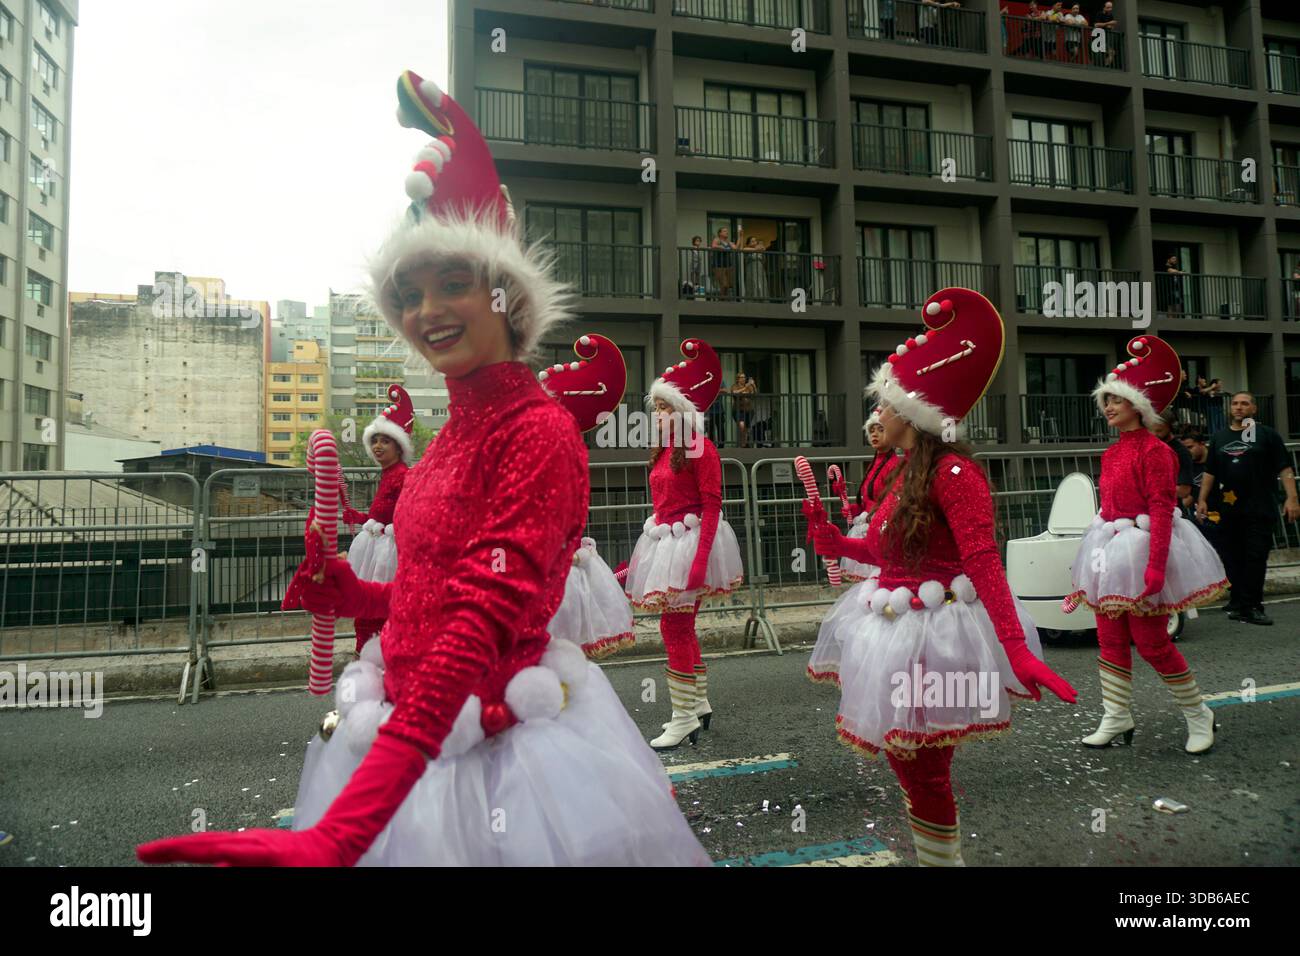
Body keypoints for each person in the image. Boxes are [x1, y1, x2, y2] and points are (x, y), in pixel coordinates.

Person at [137, 70, 709, 867]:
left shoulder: (538, 433)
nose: (427, 310)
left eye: (452, 284)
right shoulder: (445, 439)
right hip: (413, 729)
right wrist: (357, 593)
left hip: (501, 754)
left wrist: (347, 828)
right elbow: (432, 592)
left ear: (506, 296)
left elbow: (480, 619)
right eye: (409, 292)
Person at [812, 289, 1076, 866]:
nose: (875, 415)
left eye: (883, 403)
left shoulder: (956, 474)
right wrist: (839, 543)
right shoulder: (902, 475)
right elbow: (887, 552)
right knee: (906, 760)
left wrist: (1016, 647)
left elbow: (982, 560)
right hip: (894, 623)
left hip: (936, 636)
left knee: (925, 766)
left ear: (913, 410)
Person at [1067, 336, 1227, 755]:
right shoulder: (1110, 453)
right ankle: (1116, 716)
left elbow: (1161, 508)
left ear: (1137, 406)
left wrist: (1156, 566)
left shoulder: (1157, 452)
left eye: (1116, 401)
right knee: (1109, 639)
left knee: (1152, 641)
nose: (1108, 408)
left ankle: (1198, 714)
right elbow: (1109, 507)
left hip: (1142, 551)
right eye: (1105, 401)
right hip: (1110, 550)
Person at [624, 339, 745, 749]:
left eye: (664, 408)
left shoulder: (699, 448)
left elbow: (713, 506)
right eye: (655, 407)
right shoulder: (663, 451)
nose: (657, 414)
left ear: (682, 413)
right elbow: (662, 506)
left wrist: (700, 560)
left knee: (673, 626)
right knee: (682, 626)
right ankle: (698, 704)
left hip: (691, 543)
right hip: (666, 541)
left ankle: (682, 717)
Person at [538, 333, 637, 660]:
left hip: (565, 561)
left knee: (567, 650)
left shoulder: (568, 456)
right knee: (546, 653)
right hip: (541, 559)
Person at [807, 407, 898, 686]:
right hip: (865, 528)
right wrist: (853, 505)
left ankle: (882, 656)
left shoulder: (895, 465)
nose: (874, 434)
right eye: (871, 430)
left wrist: (868, 515)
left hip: (879, 533)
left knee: (876, 591)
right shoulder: (877, 462)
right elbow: (870, 499)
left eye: (879, 429)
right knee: (866, 592)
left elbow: (888, 503)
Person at [1197, 392, 1300, 626]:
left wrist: (1292, 498)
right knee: (1233, 558)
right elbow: (1210, 472)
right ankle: (1238, 601)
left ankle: (1252, 606)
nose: (1239, 407)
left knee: (1255, 557)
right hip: (1228, 509)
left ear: (1254, 409)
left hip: (1260, 507)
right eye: (1235, 403)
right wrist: (1202, 499)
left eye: (1245, 404)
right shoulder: (1220, 438)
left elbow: (1285, 469)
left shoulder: (1267, 435)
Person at [341, 385, 413, 654]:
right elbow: (381, 516)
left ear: (399, 446)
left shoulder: (402, 474)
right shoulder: (389, 473)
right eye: (375, 440)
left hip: (390, 554)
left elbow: (406, 515)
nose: (378, 446)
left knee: (379, 609)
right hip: (379, 549)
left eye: (385, 440)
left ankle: (379, 660)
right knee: (370, 609)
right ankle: (373, 657)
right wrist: (360, 517)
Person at [1151, 406, 1193, 513]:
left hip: (1172, 512)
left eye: (1159, 431)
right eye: (1151, 431)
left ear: (1171, 427)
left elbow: (1184, 491)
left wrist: (1151, 490)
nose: (1154, 435)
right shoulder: (1150, 448)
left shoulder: (1182, 453)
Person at [730, 371, 757, 448]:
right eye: (742, 377)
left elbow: (754, 395)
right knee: (742, 426)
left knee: (746, 428)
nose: (743, 379)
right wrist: (745, 388)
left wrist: (753, 385)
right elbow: (735, 393)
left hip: (749, 410)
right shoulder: (735, 386)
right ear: (737, 379)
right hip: (738, 410)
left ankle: (744, 444)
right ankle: (743, 443)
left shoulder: (749, 386)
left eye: (744, 377)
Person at [710, 226, 738, 299]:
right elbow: (713, 246)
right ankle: (721, 299)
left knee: (728, 285)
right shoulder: (717, 239)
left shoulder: (729, 242)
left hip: (728, 265)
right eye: (725, 231)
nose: (727, 232)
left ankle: (724, 299)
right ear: (720, 233)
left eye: (727, 231)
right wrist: (721, 247)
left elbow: (735, 248)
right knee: (724, 284)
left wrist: (741, 237)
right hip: (719, 265)